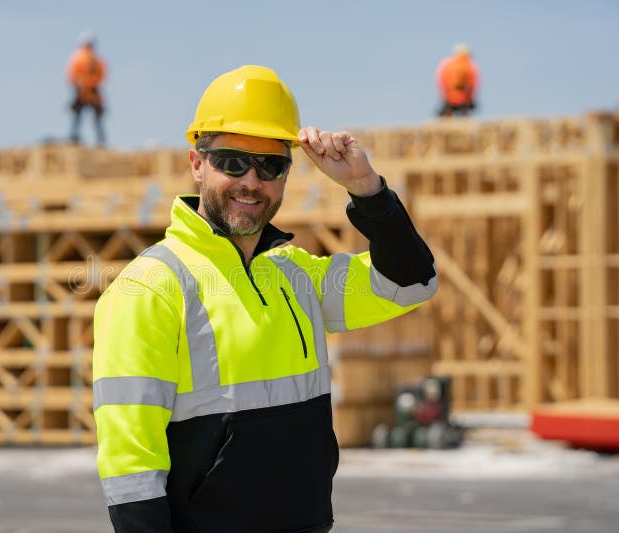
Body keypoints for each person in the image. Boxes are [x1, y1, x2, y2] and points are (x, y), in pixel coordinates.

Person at [92, 65, 438, 532]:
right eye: (232, 161)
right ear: (197, 162)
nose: (251, 181)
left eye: (271, 165)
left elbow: (412, 282)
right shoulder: (148, 288)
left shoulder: (298, 276)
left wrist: (366, 189)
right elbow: (131, 469)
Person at [66, 30, 107, 146]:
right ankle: (100, 140)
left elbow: (72, 75)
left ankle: (75, 137)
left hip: (84, 90)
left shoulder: (78, 58)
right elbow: (102, 75)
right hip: (91, 90)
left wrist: (78, 86)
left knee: (79, 116)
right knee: (94, 117)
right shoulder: (96, 59)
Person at [435, 43, 479, 117]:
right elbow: (473, 83)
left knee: (446, 116)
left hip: (449, 97)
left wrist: (445, 94)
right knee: (464, 116)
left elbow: (441, 80)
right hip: (464, 97)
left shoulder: (447, 65)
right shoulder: (469, 66)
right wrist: (470, 96)